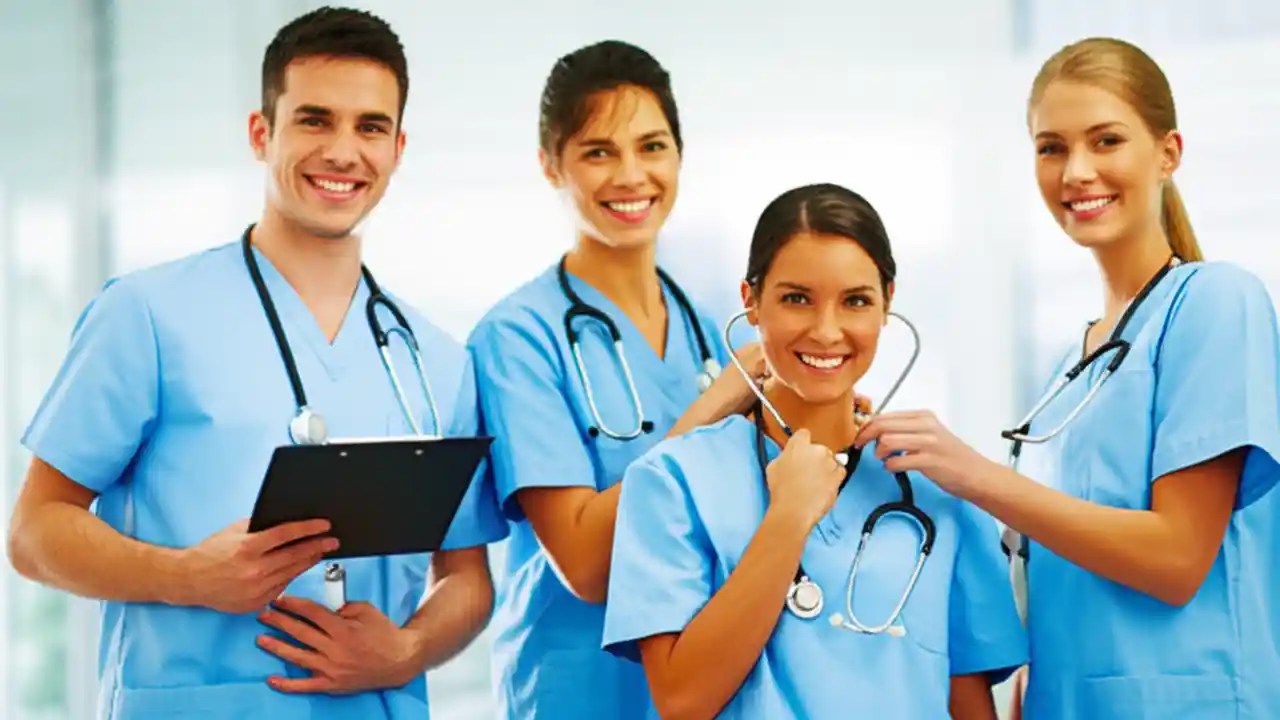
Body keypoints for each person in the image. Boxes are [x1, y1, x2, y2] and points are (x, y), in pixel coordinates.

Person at [6, 8, 505, 718]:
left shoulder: (439, 360)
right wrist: (184, 577)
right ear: (260, 133)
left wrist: (409, 649)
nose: (342, 151)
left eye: (369, 127)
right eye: (313, 120)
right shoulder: (147, 314)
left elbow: (466, 577)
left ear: (397, 148)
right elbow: (33, 532)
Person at [855, 37, 1280, 719]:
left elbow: (1177, 558)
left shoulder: (1216, 303)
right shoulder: (1070, 366)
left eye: (1105, 140)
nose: (1076, 170)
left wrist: (972, 473)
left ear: (1168, 152)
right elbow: (1059, 562)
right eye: (1051, 148)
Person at [600, 182, 1027, 719]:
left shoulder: (936, 483)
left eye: (855, 301)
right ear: (751, 302)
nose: (827, 332)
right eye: (796, 298)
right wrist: (788, 518)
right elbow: (682, 699)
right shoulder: (670, 481)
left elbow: (966, 701)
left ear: (887, 303)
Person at [465, 40, 781, 718]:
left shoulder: (706, 326)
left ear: (679, 155)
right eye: (597, 151)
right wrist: (716, 406)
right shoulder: (518, 338)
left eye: (652, 146)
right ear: (551, 165)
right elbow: (582, 561)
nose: (631, 175)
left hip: (712, 683)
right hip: (576, 690)